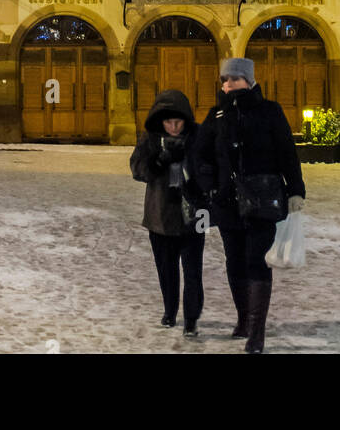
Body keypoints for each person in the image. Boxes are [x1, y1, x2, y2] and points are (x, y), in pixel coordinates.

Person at [193, 57, 305, 354]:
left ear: (250, 81)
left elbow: (287, 153)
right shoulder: (216, 115)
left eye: (235, 79)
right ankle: (243, 318)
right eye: (225, 80)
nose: (229, 84)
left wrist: (296, 190)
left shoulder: (269, 111)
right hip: (227, 201)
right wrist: (210, 186)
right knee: (235, 262)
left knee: (257, 261)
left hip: (262, 199)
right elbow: (199, 155)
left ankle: (257, 332)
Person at [130, 90, 205, 336]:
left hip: (193, 215)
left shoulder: (197, 137)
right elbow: (137, 168)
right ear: (160, 120)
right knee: (166, 267)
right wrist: (158, 161)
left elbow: (211, 166)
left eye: (178, 122)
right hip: (160, 214)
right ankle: (170, 311)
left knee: (193, 270)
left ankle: (191, 319)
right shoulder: (150, 138)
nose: (174, 127)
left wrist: (194, 173)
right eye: (168, 122)